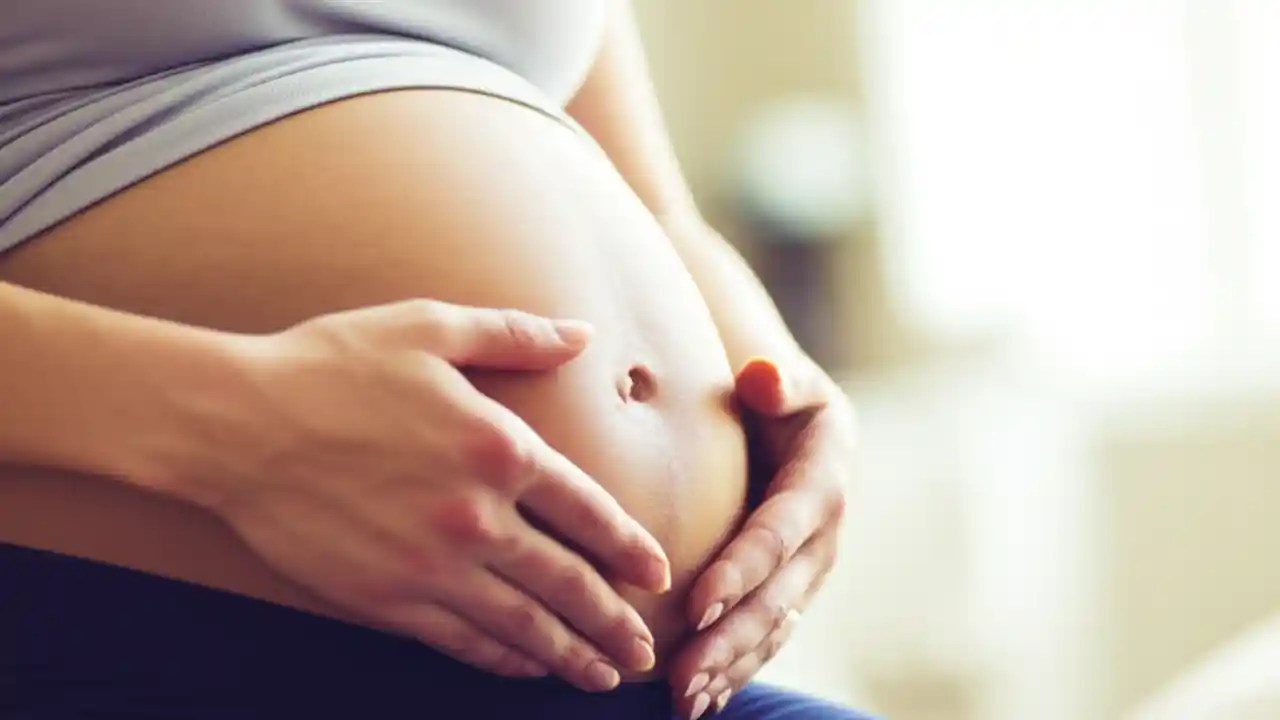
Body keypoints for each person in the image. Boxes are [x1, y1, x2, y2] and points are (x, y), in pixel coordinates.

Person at [0, 2, 865, 718]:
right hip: (165, 640)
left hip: (649, 683)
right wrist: (225, 428)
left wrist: (786, 390)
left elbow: (661, 209)